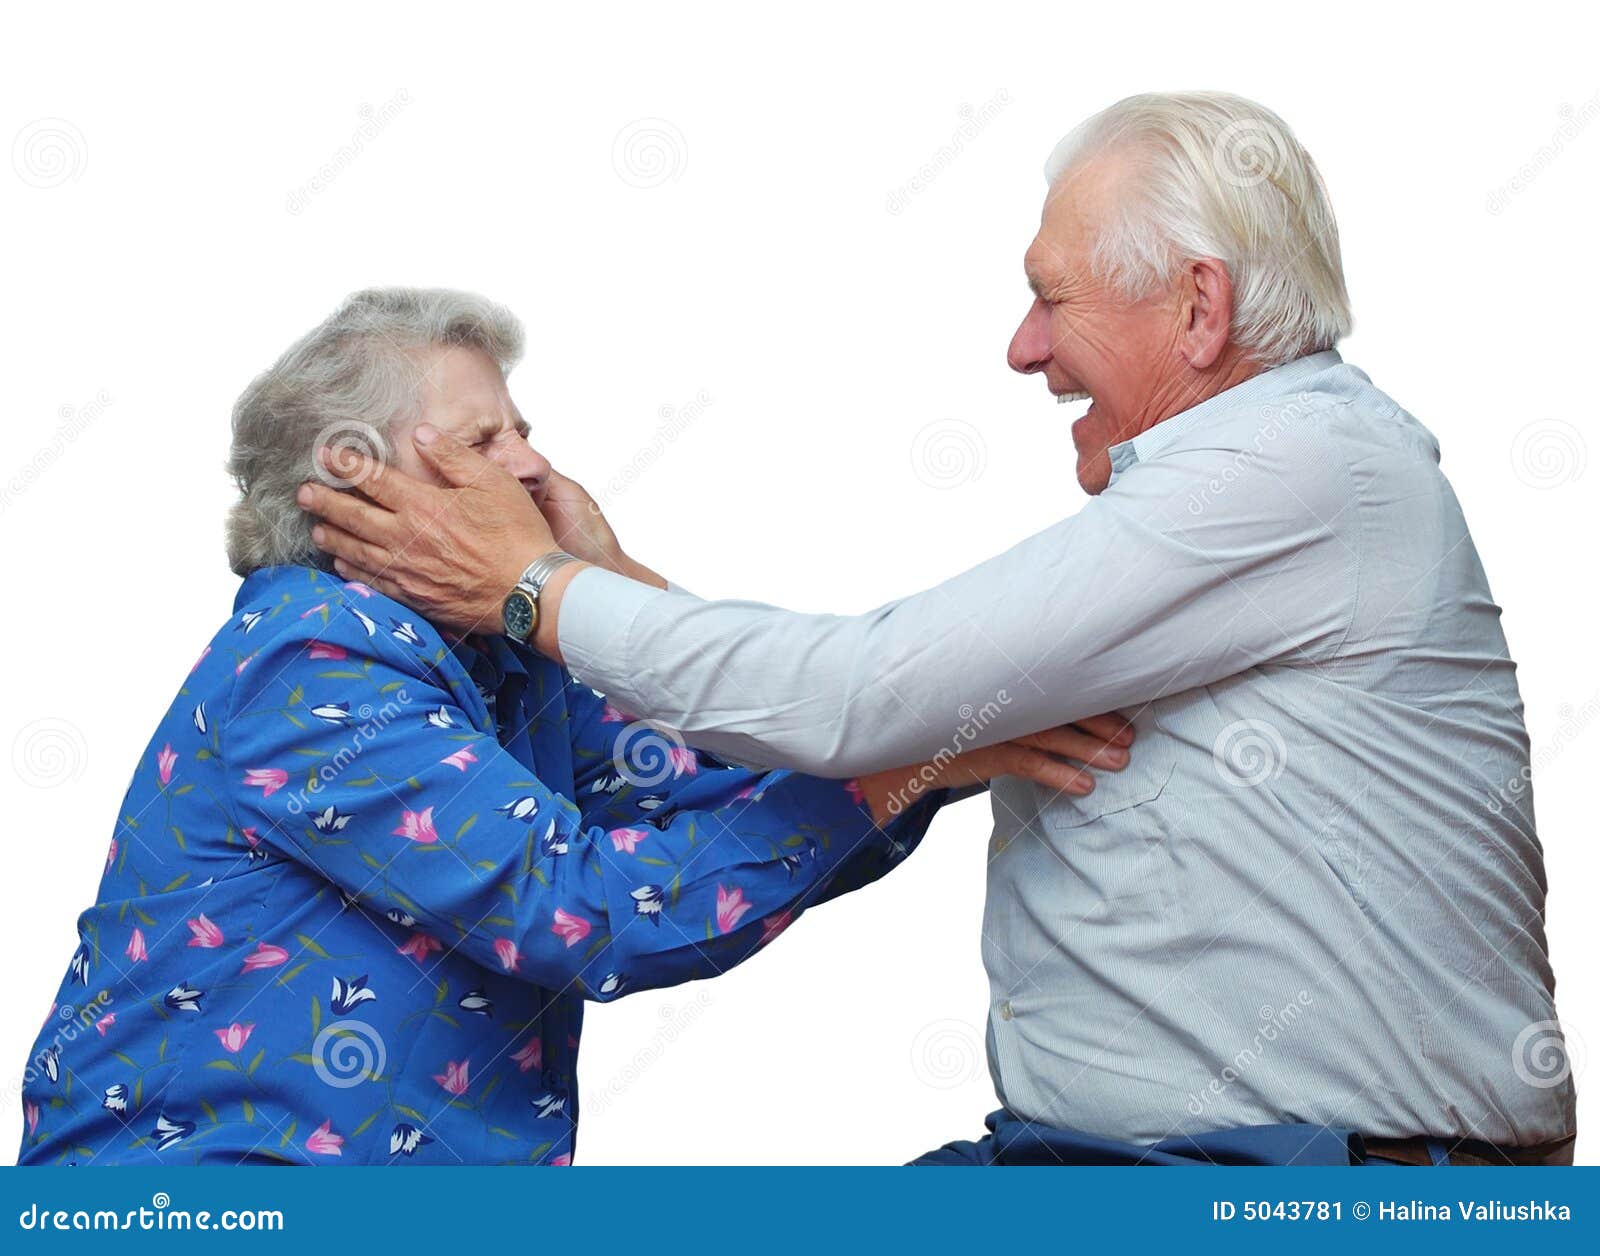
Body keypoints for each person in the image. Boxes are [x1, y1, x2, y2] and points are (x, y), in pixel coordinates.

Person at [301, 94, 1577, 1165]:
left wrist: (534, 590)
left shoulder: (1289, 470)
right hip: (1127, 1166)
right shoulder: (1270, 475)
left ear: (1197, 308)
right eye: (476, 448)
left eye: (1051, 300)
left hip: (1306, 1188)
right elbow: (863, 707)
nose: (1023, 351)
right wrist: (609, 581)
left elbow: (858, 698)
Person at [18, 288, 1130, 1166]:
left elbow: (724, 763)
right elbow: (583, 907)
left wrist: (603, 583)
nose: (533, 464)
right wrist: (906, 764)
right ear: (354, 484)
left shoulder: (492, 656)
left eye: (526, 430)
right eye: (484, 438)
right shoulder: (311, 663)